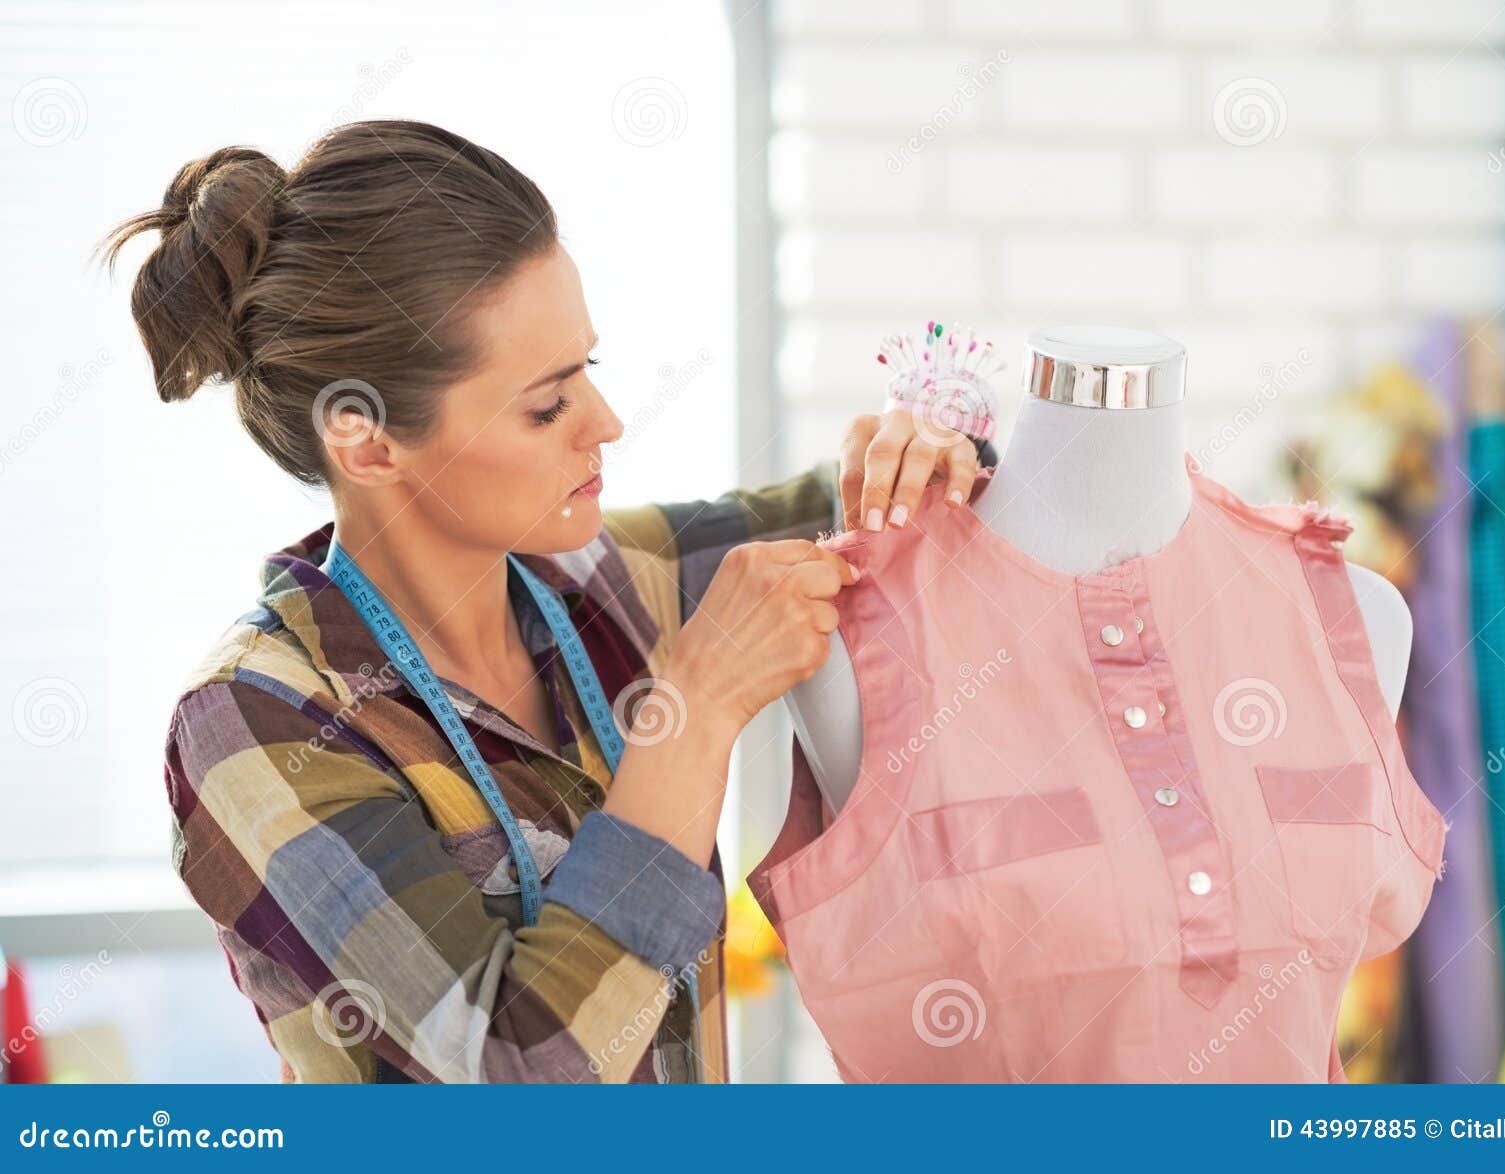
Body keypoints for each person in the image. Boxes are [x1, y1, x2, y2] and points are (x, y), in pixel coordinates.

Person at [94, 119, 996, 1082]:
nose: (605, 425)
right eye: (546, 404)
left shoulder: (607, 582)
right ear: (363, 443)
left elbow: (867, 510)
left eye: (588, 373)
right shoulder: (258, 723)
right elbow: (517, 1074)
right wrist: (692, 717)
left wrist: (928, 451)